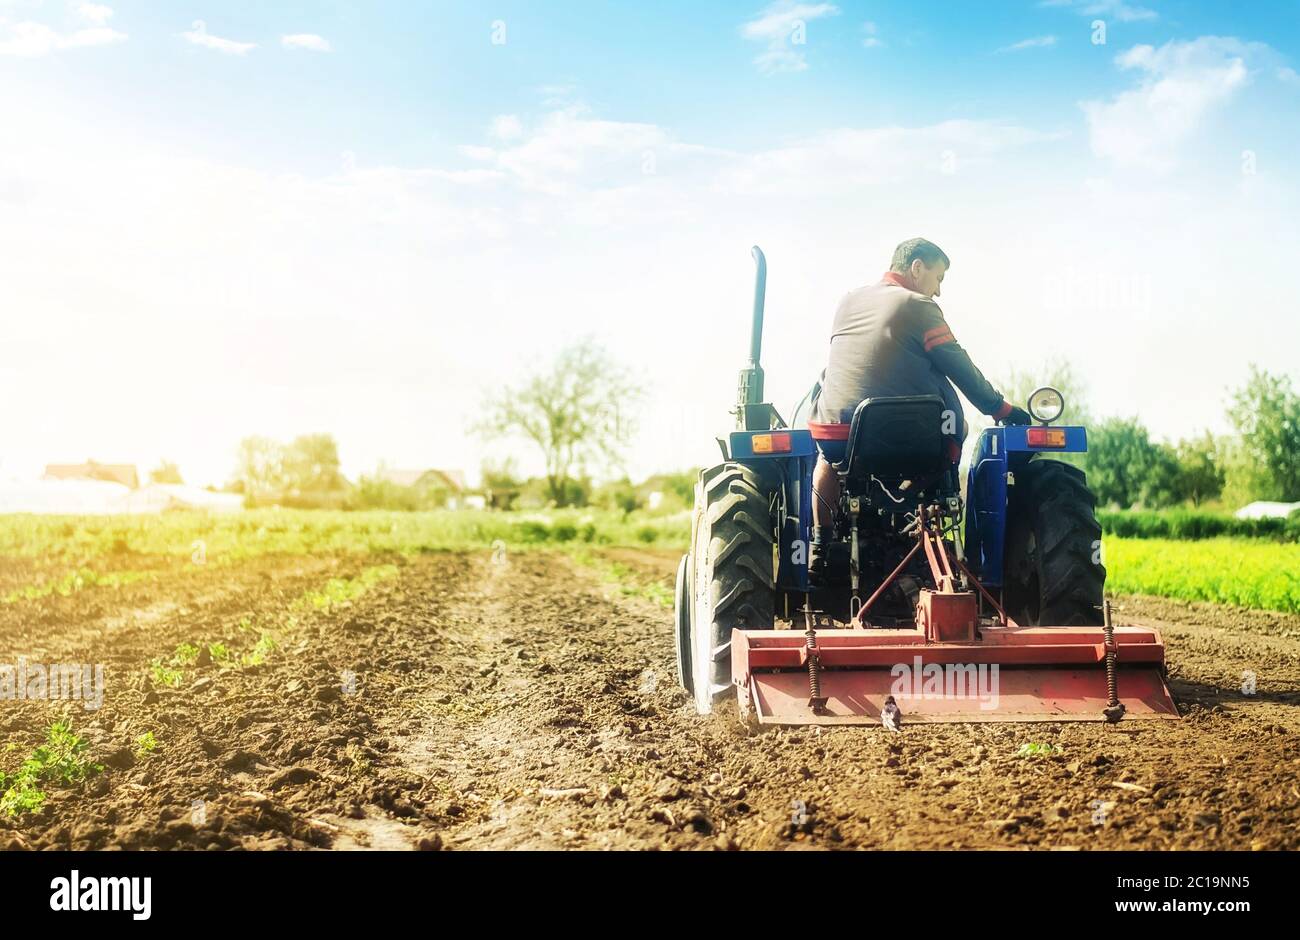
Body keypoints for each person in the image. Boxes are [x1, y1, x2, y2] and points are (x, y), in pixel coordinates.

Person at [808, 237, 1030, 555]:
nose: (938, 290)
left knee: (826, 458)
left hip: (839, 435)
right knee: (957, 425)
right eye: (938, 278)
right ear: (916, 268)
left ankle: (819, 543)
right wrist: (1000, 408)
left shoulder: (847, 302)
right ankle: (938, 505)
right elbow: (959, 366)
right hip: (909, 438)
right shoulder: (919, 307)